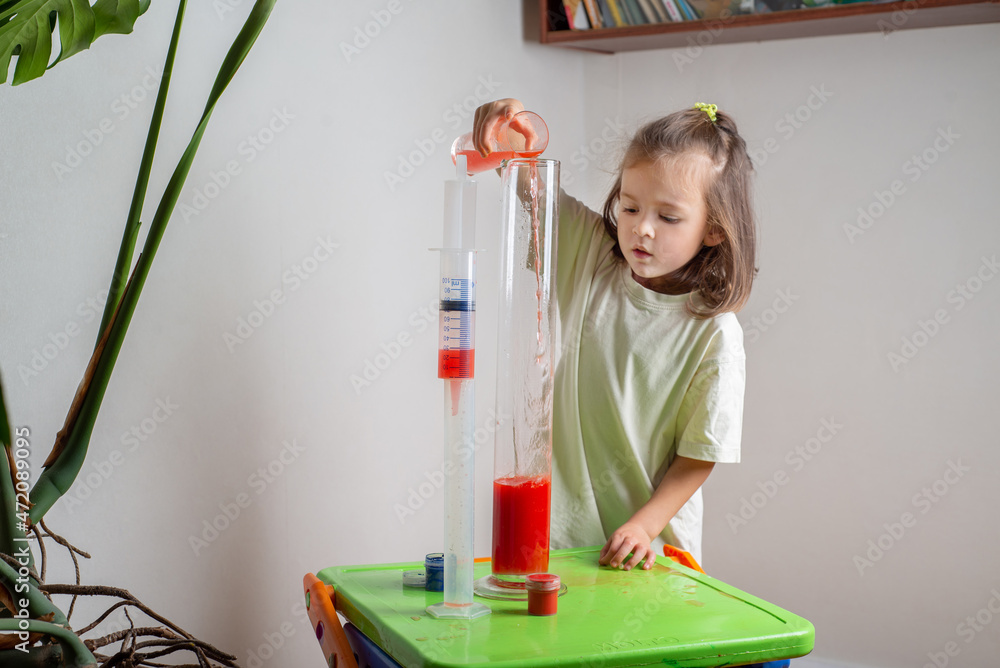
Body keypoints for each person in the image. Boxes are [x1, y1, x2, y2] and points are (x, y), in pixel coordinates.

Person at [472, 98, 756, 573]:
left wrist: (644, 527)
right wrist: (507, 132)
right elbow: (530, 186)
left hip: (652, 555)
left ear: (712, 229)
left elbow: (698, 455)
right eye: (629, 207)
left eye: (668, 217)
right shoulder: (595, 258)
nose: (641, 229)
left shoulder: (715, 334)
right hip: (562, 544)